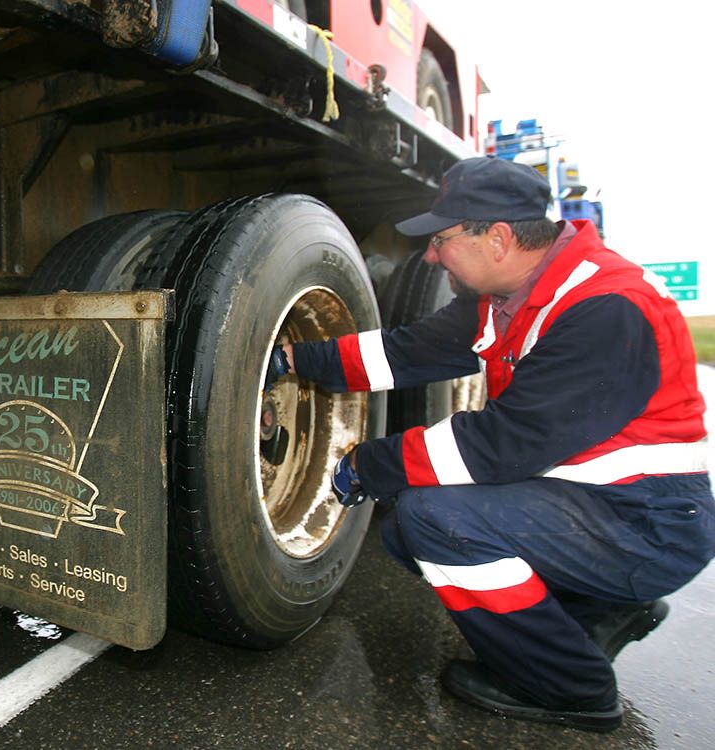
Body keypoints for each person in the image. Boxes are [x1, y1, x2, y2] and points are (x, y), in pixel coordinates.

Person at [265, 157, 715, 732]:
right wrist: (296, 359)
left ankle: (571, 688)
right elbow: (401, 354)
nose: (430, 255)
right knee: (408, 528)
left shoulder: (606, 309)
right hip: (599, 502)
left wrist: (369, 463)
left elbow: (499, 447)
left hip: (649, 523)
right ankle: (601, 611)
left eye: (442, 239)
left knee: (435, 518)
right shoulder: (510, 295)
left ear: (498, 239)